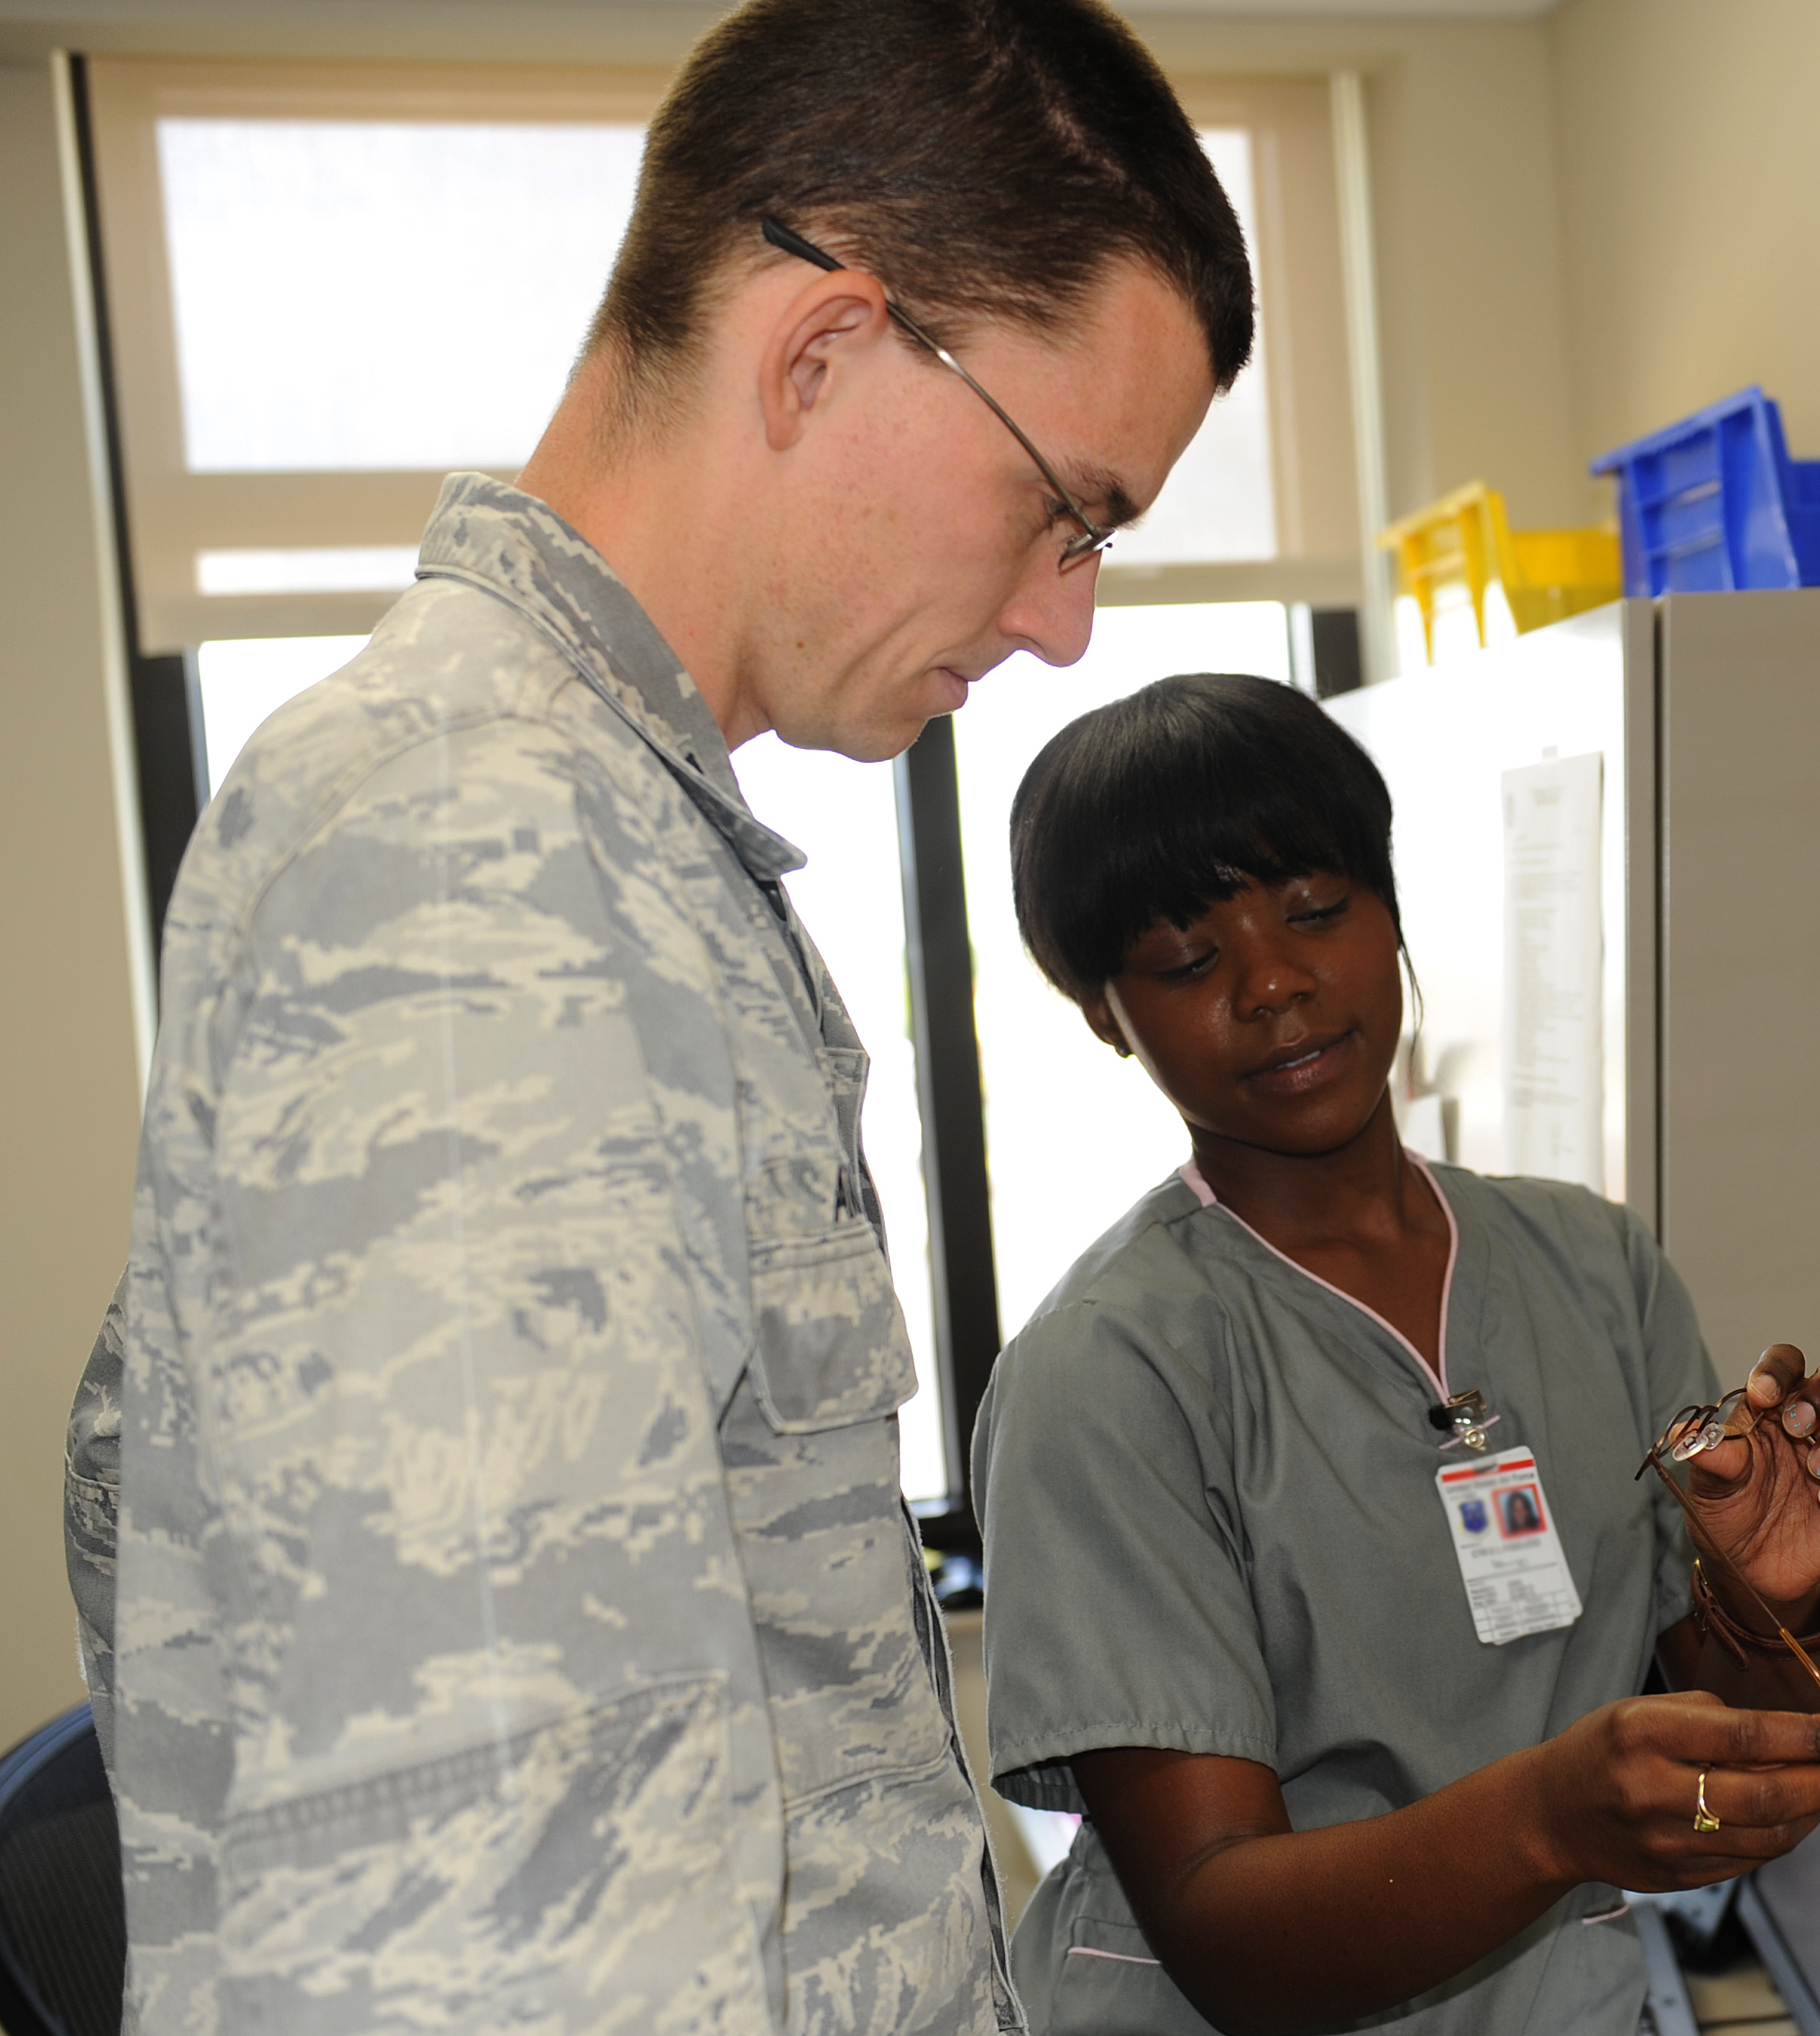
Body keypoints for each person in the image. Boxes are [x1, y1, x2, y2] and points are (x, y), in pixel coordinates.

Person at [58, 2, 1249, 2027]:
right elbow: (485, 1917)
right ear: (823, 348)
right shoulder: (471, 851)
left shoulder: (613, 834)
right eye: (1070, 508)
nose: (1068, 620)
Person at [973, 673, 1820, 2036]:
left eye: (1314, 912)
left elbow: (1691, 1744)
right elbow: (1223, 1930)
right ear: (1104, 1014)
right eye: (1188, 962)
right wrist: (1544, 1817)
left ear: (1392, 910)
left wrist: (1754, 1605)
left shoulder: (1594, 1269)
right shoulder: (1110, 1374)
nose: (1275, 983)